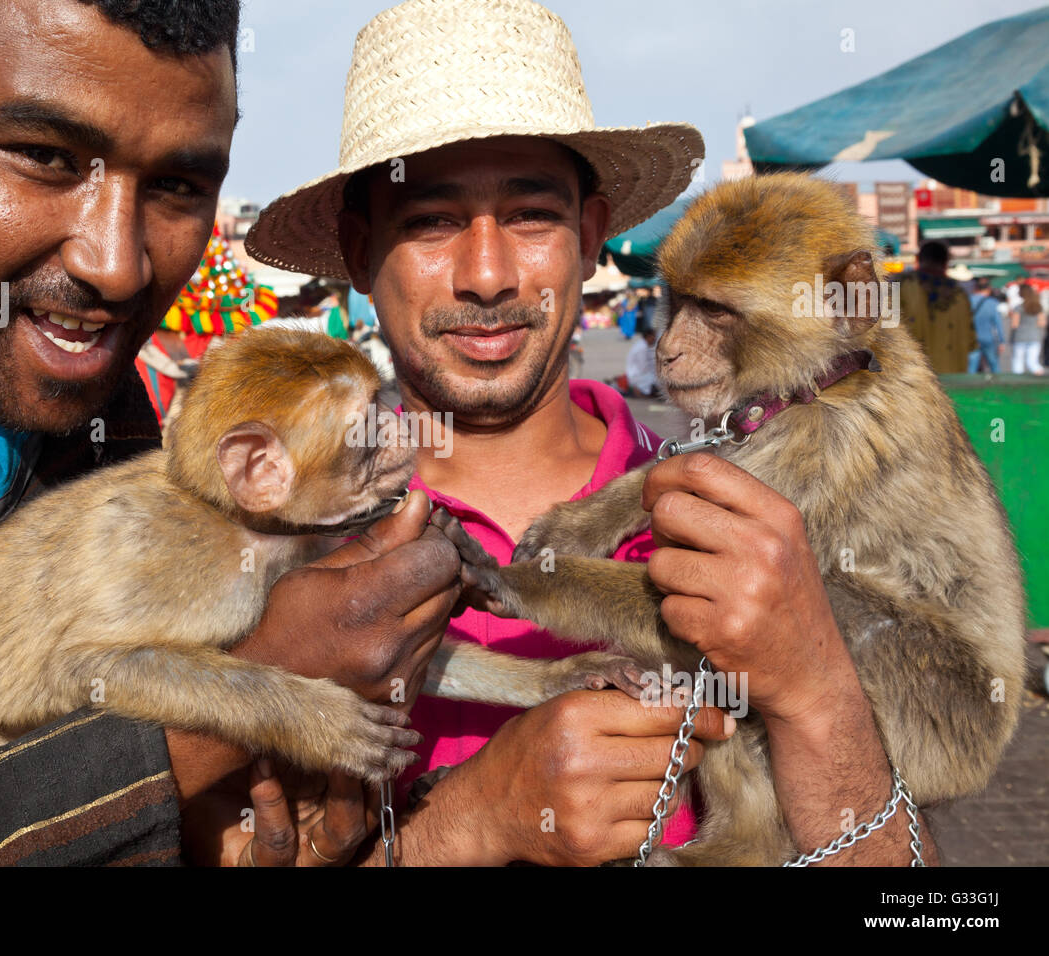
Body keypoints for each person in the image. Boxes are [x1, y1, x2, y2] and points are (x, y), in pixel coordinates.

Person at [0, 0, 455, 866]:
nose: (116, 264)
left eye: (178, 185)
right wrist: (213, 732)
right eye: (45, 157)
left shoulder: (92, 394)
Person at [232, 0, 938, 865]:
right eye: (431, 222)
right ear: (359, 248)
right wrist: (470, 823)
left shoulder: (751, 519)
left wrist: (820, 695)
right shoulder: (267, 546)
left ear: (591, 237)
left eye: (530, 216)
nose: (486, 275)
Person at [898, 241, 975, 373]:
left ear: (917, 259)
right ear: (946, 263)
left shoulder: (895, 287)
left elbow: (885, 336)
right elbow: (971, 342)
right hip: (953, 381)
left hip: (913, 379)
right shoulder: (960, 295)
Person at [967, 277, 1005, 374]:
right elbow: (998, 324)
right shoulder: (992, 303)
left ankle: (969, 387)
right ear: (988, 289)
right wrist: (1001, 341)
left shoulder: (967, 300)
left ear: (976, 288)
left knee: (972, 367)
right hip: (988, 338)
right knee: (994, 365)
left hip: (972, 338)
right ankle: (998, 387)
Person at [1010, 282, 1047, 375]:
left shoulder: (1019, 307)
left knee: (1018, 362)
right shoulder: (1038, 307)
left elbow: (1014, 324)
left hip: (1020, 337)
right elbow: (1042, 323)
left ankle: (1017, 384)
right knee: (1033, 362)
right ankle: (1042, 381)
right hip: (1035, 337)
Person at [623, 326, 660, 398]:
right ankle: (637, 390)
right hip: (636, 375)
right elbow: (643, 367)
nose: (655, 339)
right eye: (654, 336)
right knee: (656, 379)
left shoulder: (642, 344)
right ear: (649, 336)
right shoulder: (642, 348)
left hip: (637, 373)